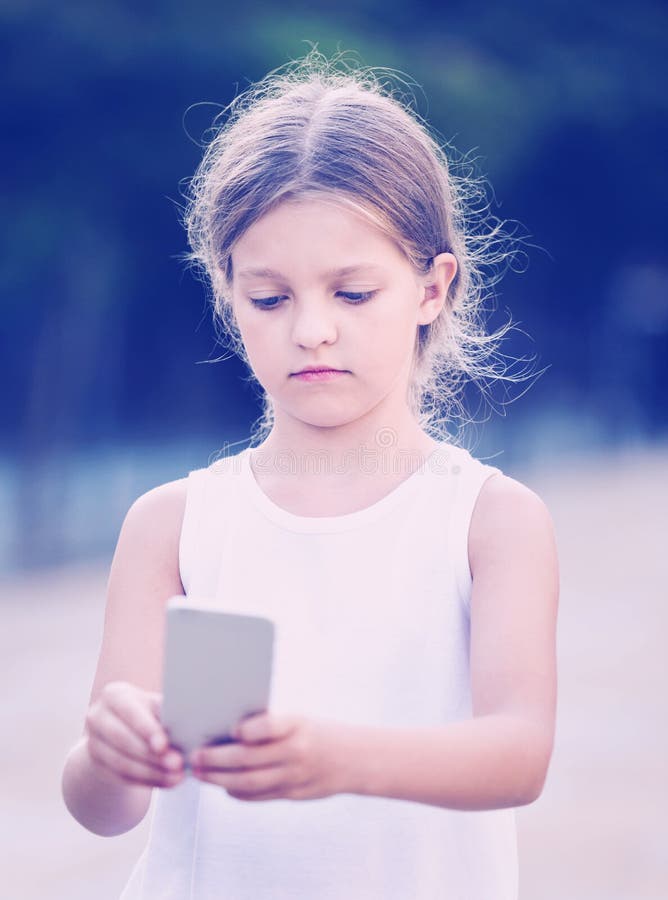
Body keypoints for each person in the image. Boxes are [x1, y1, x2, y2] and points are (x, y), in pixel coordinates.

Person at [61, 49, 559, 900]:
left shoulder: (489, 520)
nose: (312, 331)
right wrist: (108, 755)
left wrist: (335, 758)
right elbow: (106, 811)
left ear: (434, 287)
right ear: (227, 295)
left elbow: (518, 754)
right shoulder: (174, 522)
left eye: (353, 293)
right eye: (270, 297)